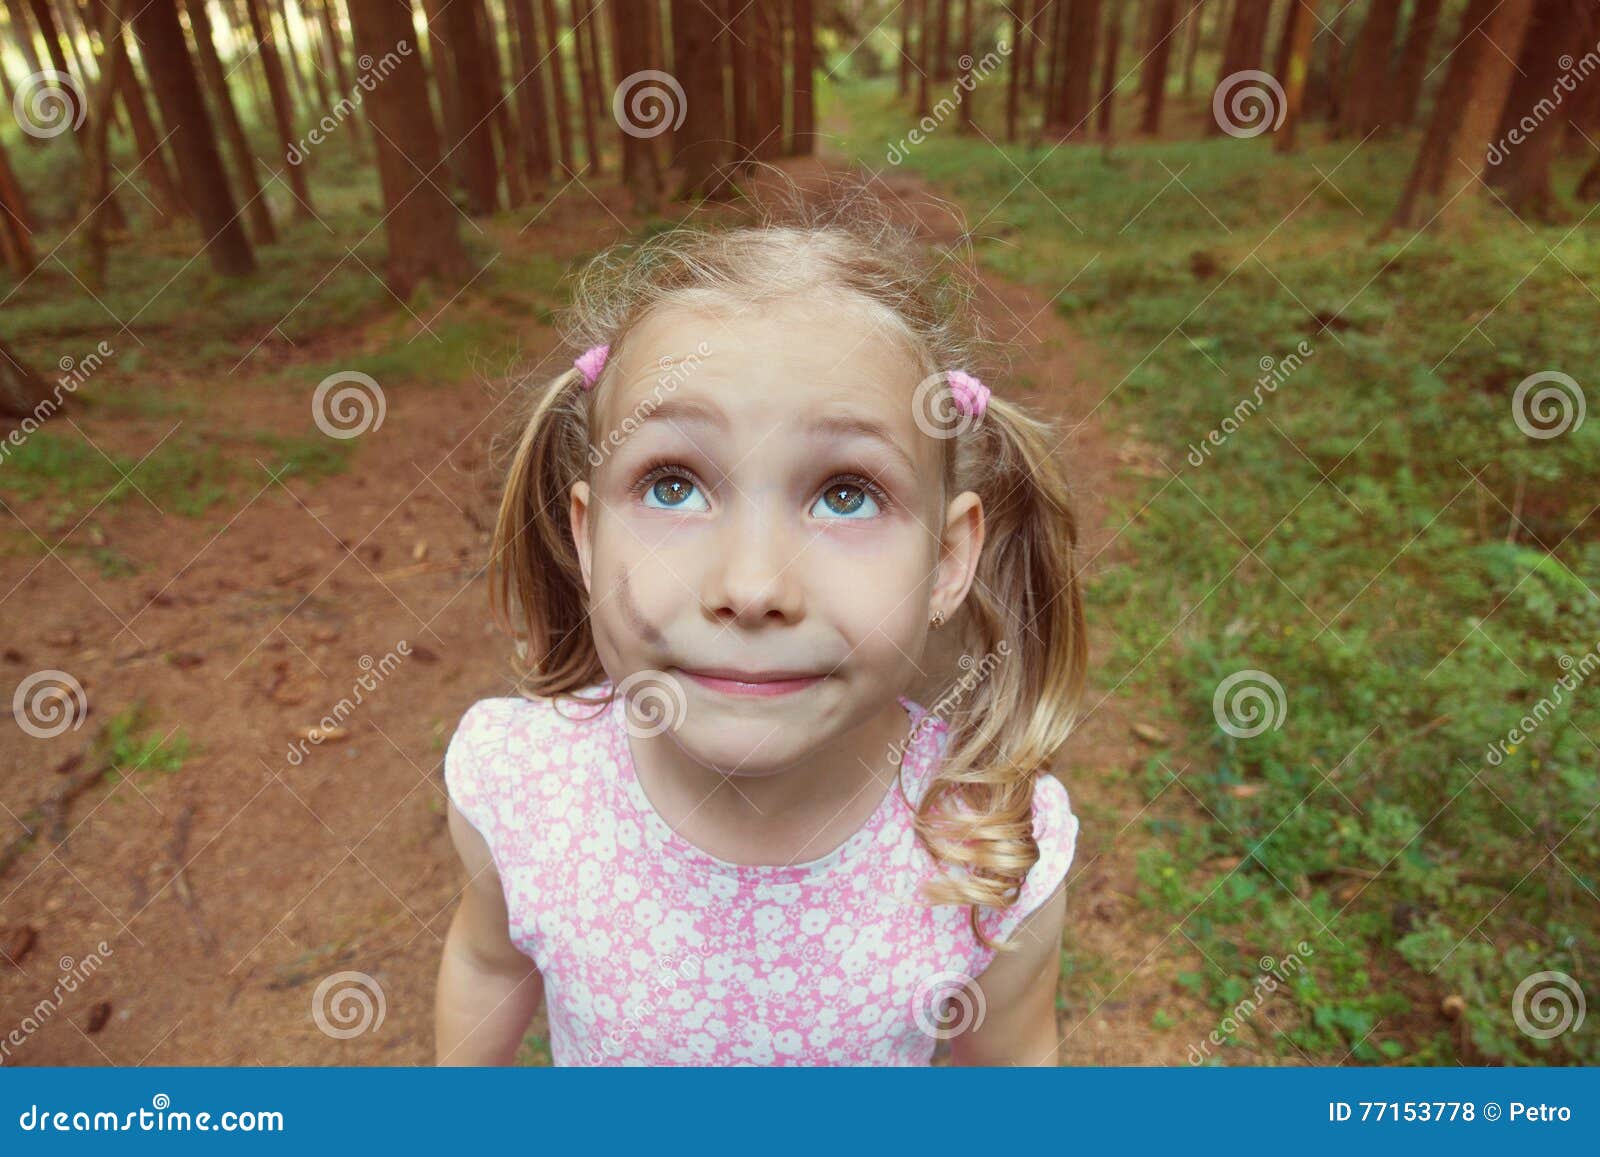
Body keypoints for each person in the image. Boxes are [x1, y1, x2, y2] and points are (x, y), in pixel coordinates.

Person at [434, 181, 1088, 1066]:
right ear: (585, 537)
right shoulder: (524, 791)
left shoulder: (988, 849)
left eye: (847, 494)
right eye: (673, 485)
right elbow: (486, 963)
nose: (750, 586)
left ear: (946, 559)